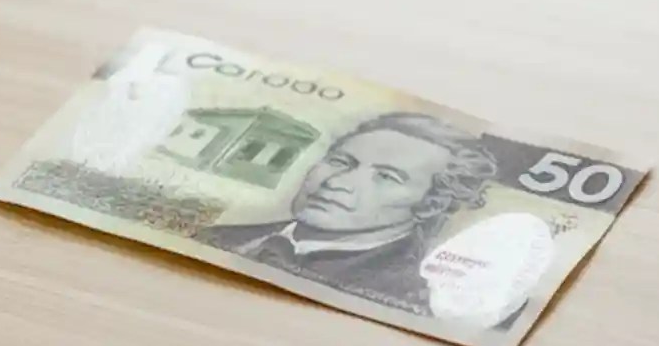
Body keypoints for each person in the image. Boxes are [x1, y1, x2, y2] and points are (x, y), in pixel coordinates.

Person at [195, 112, 497, 315]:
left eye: (387, 177)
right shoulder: (216, 237)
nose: (337, 183)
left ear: (431, 204)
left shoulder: (412, 295)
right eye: (341, 162)